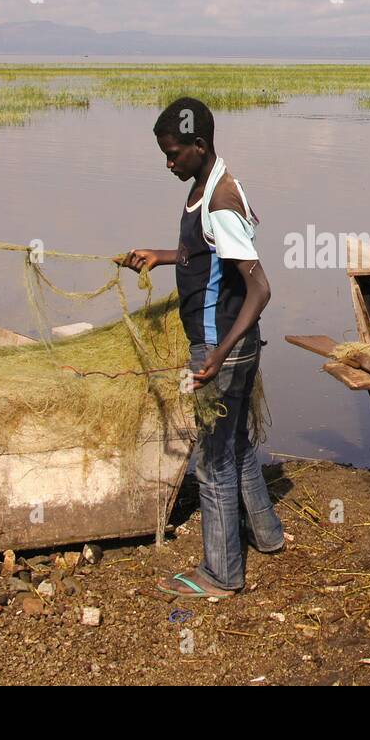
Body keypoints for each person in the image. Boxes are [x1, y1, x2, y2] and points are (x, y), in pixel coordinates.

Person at [121, 97, 286, 599]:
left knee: (212, 463)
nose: (167, 162)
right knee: (235, 443)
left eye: (173, 153)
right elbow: (210, 251)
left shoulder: (219, 200)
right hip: (231, 346)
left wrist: (215, 356)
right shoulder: (207, 185)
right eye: (164, 154)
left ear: (200, 145)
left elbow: (259, 288)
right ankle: (267, 534)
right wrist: (165, 255)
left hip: (221, 348)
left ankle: (221, 575)